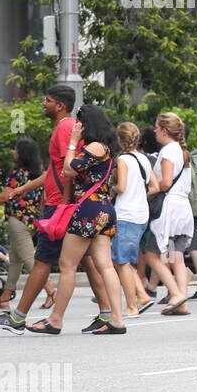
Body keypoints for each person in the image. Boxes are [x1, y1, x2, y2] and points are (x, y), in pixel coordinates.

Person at [0, 85, 87, 334]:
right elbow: (53, 171)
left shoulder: (65, 127)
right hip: (58, 202)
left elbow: (69, 168)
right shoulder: (64, 127)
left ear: (60, 105)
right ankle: (110, 314)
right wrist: (24, 188)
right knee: (91, 260)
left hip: (57, 204)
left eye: (48, 100)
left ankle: (19, 318)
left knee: (42, 260)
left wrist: (63, 202)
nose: (43, 103)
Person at [28, 105, 125, 334]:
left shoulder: (93, 146)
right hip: (103, 209)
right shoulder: (106, 148)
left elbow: (69, 170)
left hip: (88, 210)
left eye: (80, 123)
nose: (77, 127)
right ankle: (117, 320)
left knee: (67, 265)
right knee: (105, 265)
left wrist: (72, 142)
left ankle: (56, 319)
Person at [0, 137, 56, 312]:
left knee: (29, 259)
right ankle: (4, 298)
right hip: (33, 220)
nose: (13, 152)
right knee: (15, 261)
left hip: (18, 220)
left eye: (15, 149)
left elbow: (4, 197)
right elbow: (43, 200)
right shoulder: (38, 174)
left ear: (22, 152)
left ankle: (51, 291)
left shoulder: (17, 173)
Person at [142, 113, 195, 317]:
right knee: (176, 256)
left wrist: (148, 191)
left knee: (152, 254)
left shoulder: (167, 151)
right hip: (183, 209)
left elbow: (165, 182)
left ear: (164, 130)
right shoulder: (182, 151)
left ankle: (174, 294)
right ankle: (182, 300)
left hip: (168, 210)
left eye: (156, 127)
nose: (154, 131)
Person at [110, 121, 158, 317]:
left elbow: (120, 187)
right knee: (125, 261)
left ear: (120, 140)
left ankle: (132, 305)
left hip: (125, 214)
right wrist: (139, 194)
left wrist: (111, 191)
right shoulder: (144, 159)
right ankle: (140, 296)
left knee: (121, 262)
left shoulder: (123, 160)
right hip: (141, 214)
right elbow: (155, 186)